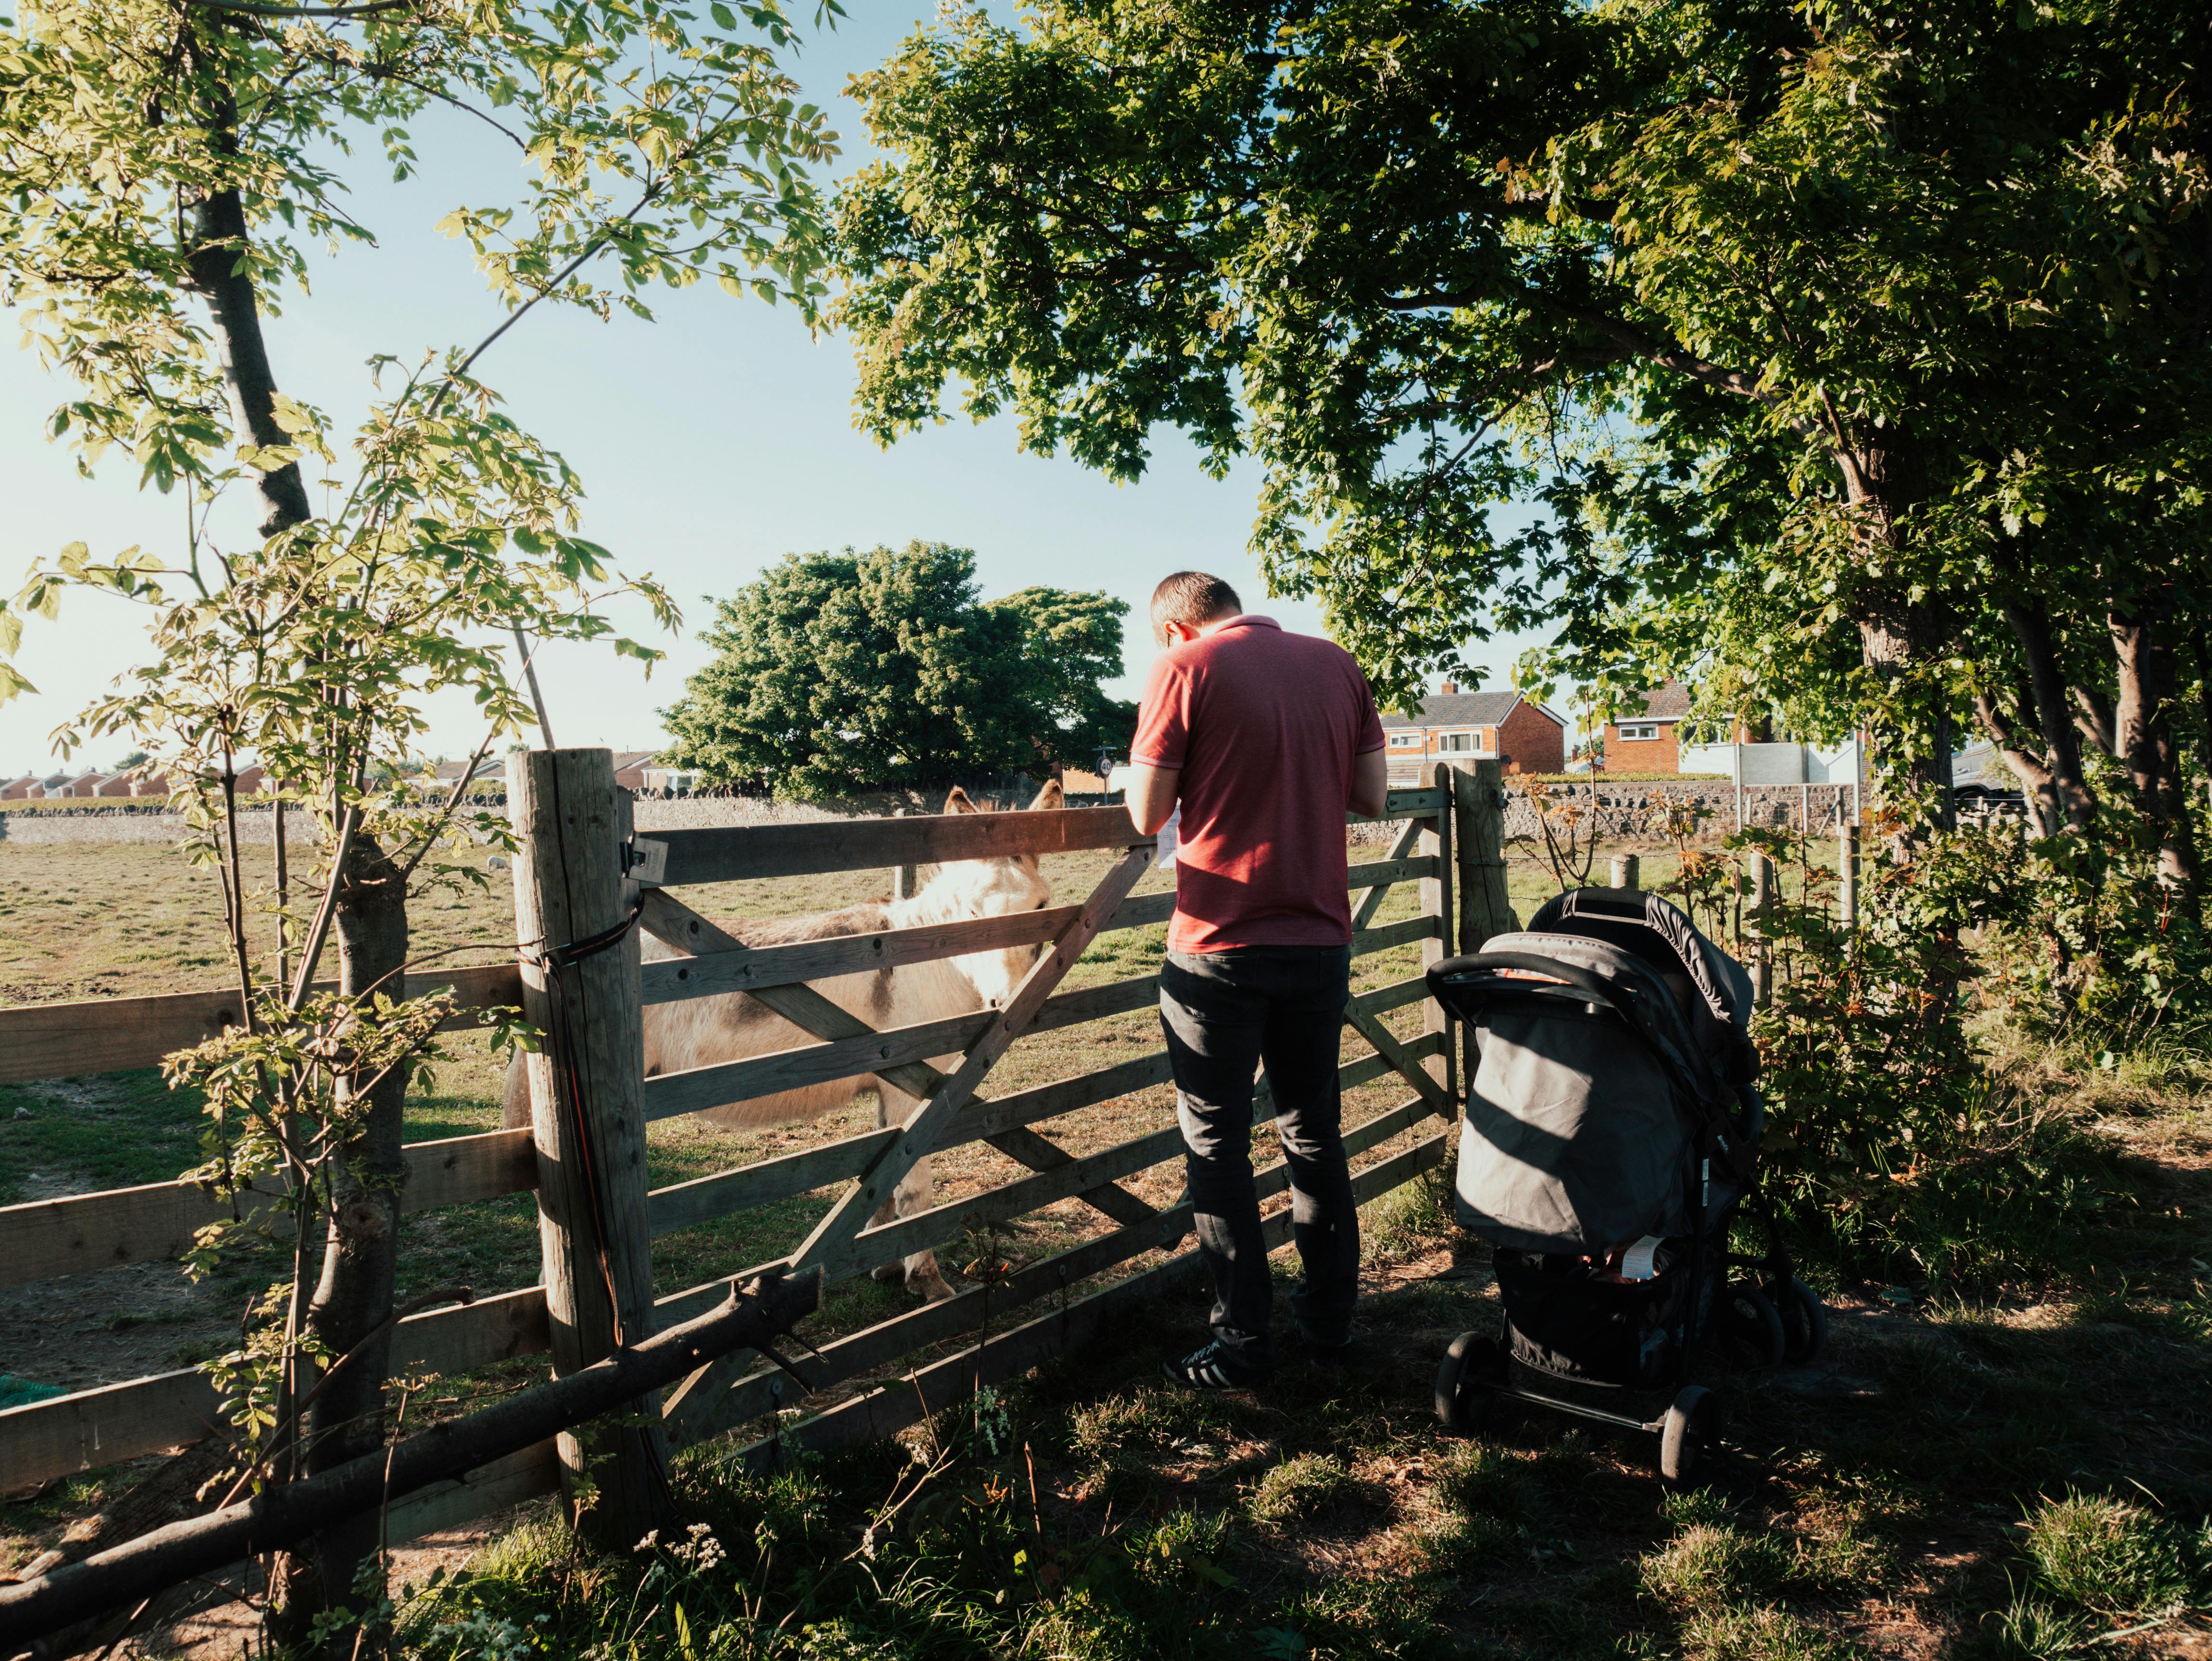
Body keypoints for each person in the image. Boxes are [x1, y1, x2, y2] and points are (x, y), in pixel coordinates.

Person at [1124, 571, 1389, 1389]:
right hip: (1317, 939)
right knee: (1314, 1134)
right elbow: (1372, 797)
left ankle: (1243, 1342)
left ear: (1176, 629)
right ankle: (1332, 1322)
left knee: (1218, 1145)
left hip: (1221, 946)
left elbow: (1144, 814)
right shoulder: (1339, 663)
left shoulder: (1184, 670)